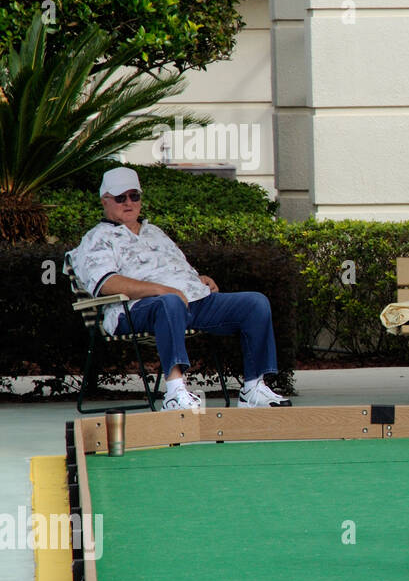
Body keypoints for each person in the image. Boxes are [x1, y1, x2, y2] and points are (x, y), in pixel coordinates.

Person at [68, 167, 290, 412]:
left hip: (189, 301)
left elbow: (177, 268)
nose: (129, 203)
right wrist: (162, 290)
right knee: (169, 302)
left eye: (134, 196)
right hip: (132, 310)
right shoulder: (97, 238)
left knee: (254, 303)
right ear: (105, 201)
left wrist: (199, 278)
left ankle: (253, 387)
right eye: (121, 198)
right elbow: (106, 284)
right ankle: (175, 392)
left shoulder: (155, 232)